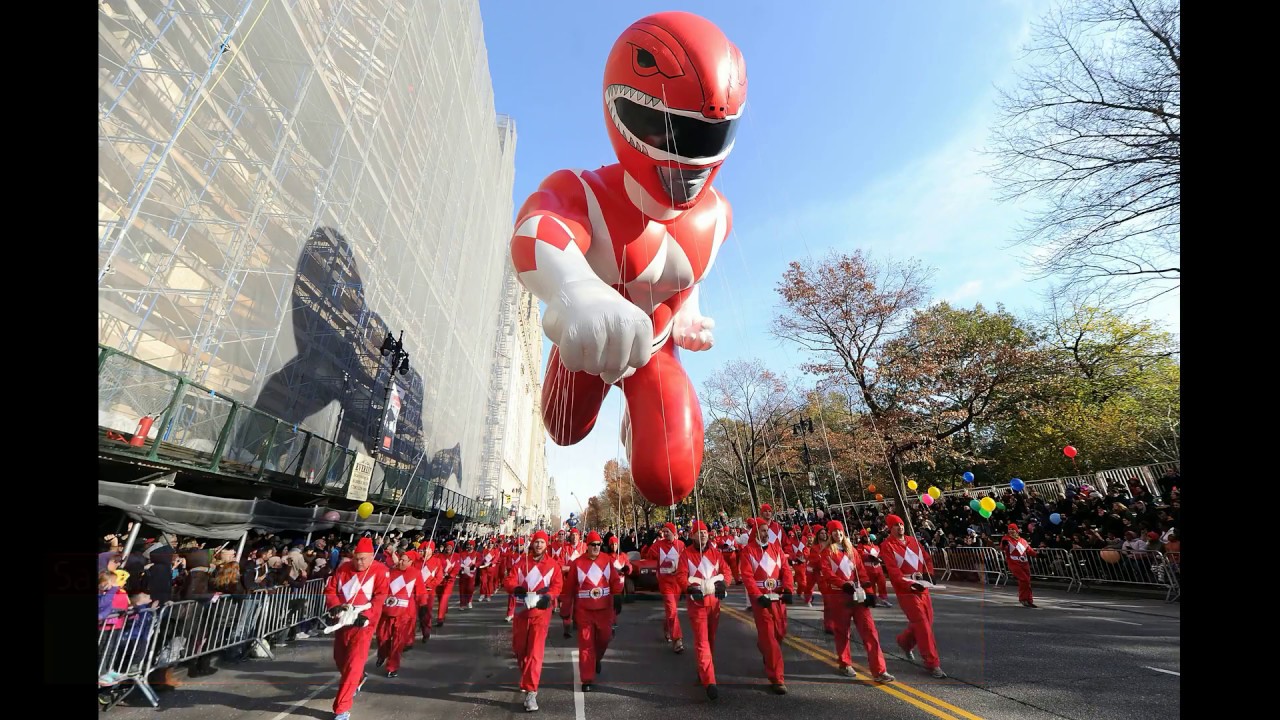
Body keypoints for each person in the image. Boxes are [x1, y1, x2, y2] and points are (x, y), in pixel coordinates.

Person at [818, 521, 895, 682]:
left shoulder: (852, 551)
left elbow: (862, 573)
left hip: (858, 596)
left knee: (870, 632)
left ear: (843, 532)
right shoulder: (826, 553)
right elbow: (827, 573)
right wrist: (843, 584)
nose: (837, 534)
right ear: (830, 534)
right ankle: (845, 663)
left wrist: (869, 593)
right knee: (842, 632)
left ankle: (880, 670)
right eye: (834, 532)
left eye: (839, 531)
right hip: (840, 596)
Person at [323, 536, 390, 720]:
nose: (359, 562)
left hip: (363, 627)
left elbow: (380, 598)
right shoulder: (343, 569)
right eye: (356, 558)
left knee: (353, 664)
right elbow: (331, 590)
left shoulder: (380, 571)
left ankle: (341, 709)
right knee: (340, 659)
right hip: (343, 623)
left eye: (363, 559)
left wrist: (366, 617)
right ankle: (359, 678)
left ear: (371, 557)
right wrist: (334, 605)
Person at [880, 515, 946, 679]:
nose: (900, 527)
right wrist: (909, 583)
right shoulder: (887, 546)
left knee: (927, 622)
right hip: (906, 591)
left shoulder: (913, 541)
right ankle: (932, 663)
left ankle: (904, 642)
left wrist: (929, 575)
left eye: (901, 524)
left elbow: (926, 559)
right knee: (922, 624)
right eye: (896, 525)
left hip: (923, 588)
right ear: (890, 528)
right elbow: (894, 572)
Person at [504, 530, 563, 713]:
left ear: (546, 545)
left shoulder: (553, 565)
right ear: (532, 544)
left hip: (541, 614)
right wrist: (517, 588)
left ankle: (531, 692)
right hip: (522, 613)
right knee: (520, 650)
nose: (538, 545)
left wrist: (549, 597)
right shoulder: (522, 563)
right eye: (536, 542)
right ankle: (526, 677)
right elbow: (508, 581)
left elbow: (557, 585)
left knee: (535, 652)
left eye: (542, 542)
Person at [675, 520, 732, 701]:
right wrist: (688, 587)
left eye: (705, 532)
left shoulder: (716, 553)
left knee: (711, 639)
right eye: (698, 532)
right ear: (692, 536)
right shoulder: (686, 555)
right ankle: (710, 681)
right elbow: (681, 576)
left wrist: (724, 584)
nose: (703, 535)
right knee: (702, 641)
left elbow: (727, 571)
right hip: (697, 604)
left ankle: (704, 669)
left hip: (714, 604)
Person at [560, 531, 624, 692]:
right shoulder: (577, 563)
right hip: (584, 611)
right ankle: (587, 679)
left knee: (604, 638)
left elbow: (615, 581)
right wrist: (566, 609)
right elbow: (568, 589)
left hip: (604, 610)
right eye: (592, 545)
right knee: (586, 645)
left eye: (598, 545)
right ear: (587, 546)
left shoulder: (607, 561)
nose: (596, 547)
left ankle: (597, 659)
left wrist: (617, 595)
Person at [738, 517, 794, 694]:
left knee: (780, 632)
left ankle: (765, 649)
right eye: (762, 530)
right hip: (761, 600)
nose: (765, 533)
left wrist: (788, 590)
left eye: (767, 530)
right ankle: (777, 677)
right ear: (756, 532)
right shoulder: (748, 551)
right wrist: (757, 595)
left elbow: (785, 570)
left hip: (778, 598)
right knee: (770, 637)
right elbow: (747, 576)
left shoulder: (776, 548)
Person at [376, 549, 427, 677]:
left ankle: (392, 667)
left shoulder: (415, 574)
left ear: (411, 562)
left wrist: (423, 607)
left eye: (404, 560)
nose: (401, 561)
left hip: (404, 614)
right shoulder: (391, 571)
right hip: (387, 611)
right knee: (382, 637)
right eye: (400, 559)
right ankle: (382, 654)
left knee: (397, 643)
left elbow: (421, 592)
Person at [643, 522, 687, 653]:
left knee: (671, 610)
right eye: (664, 531)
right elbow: (647, 554)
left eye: (668, 531)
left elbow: (686, 560)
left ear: (674, 532)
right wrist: (648, 542)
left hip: (677, 583)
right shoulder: (658, 545)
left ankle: (667, 628)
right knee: (671, 608)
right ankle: (677, 639)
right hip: (665, 582)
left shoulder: (681, 545)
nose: (665, 533)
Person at [1000, 524, 1039, 608]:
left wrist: (1038, 555)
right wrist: (1004, 544)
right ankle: (1023, 599)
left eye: (1012, 529)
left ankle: (1029, 600)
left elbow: (1029, 551)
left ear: (1016, 530)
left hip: (1024, 563)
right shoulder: (1007, 539)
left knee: (1027, 581)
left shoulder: (1023, 540)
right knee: (1024, 579)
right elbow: (1003, 548)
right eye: (1009, 529)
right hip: (1014, 563)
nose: (1011, 531)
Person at [856, 529, 891, 607]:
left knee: (882, 583)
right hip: (868, 568)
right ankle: (873, 599)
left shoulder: (875, 546)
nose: (867, 538)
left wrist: (881, 558)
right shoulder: (861, 546)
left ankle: (883, 598)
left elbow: (880, 554)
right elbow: (860, 555)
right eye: (865, 537)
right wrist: (869, 556)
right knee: (871, 585)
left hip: (878, 567)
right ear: (862, 538)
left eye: (868, 536)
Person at [435, 540, 460, 626]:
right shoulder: (439, 556)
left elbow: (457, 567)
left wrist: (451, 574)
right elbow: (436, 566)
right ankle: (444, 609)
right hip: (440, 580)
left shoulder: (456, 556)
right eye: (447, 546)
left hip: (449, 580)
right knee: (440, 597)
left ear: (453, 548)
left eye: (450, 547)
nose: (448, 548)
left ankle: (440, 618)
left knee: (444, 597)